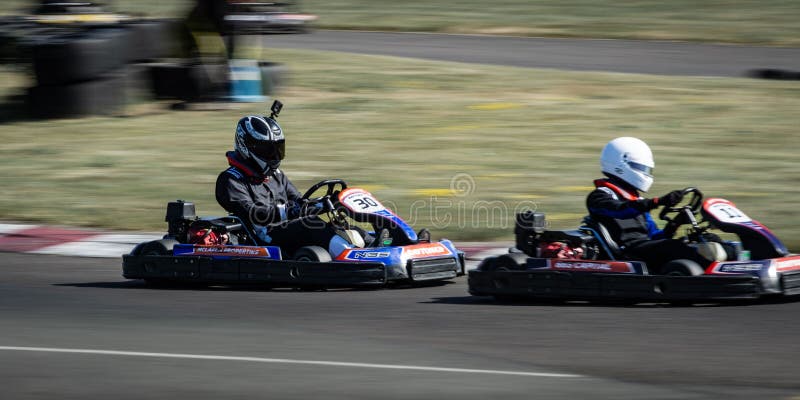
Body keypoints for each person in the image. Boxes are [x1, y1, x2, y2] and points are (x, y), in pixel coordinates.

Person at [215, 114, 354, 257]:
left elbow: (300, 201)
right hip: (265, 238)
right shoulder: (231, 180)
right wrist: (289, 211)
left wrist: (325, 202)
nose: (274, 156)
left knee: (336, 225)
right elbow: (254, 213)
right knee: (309, 225)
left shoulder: (276, 175)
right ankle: (352, 257)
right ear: (247, 147)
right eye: (268, 150)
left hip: (289, 229)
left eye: (277, 149)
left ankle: (371, 247)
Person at [586, 137, 712, 273]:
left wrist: (675, 223)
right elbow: (621, 210)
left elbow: (655, 237)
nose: (645, 173)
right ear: (620, 166)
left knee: (702, 240)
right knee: (674, 247)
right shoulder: (599, 196)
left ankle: (727, 263)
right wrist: (657, 202)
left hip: (646, 247)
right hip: (628, 252)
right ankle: (712, 273)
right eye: (640, 168)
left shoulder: (637, 200)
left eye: (647, 169)